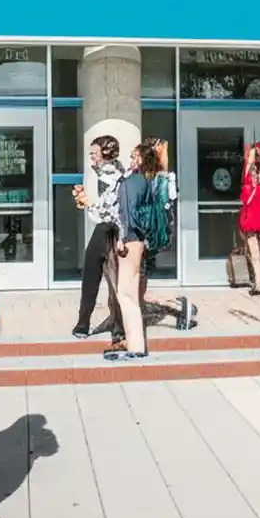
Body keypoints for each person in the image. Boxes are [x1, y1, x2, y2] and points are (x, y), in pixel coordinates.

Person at [108, 142, 170, 361]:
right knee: (132, 294)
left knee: (125, 294)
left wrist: (122, 238)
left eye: (135, 156)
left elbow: (128, 212)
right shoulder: (148, 180)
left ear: (142, 159)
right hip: (140, 239)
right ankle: (137, 345)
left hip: (131, 238)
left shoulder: (131, 181)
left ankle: (134, 347)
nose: (131, 160)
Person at [71, 135, 125, 343]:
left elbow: (107, 212)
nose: (91, 156)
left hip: (110, 232)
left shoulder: (111, 175)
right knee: (108, 280)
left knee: (103, 279)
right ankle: (113, 325)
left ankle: (90, 324)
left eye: (94, 152)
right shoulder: (108, 172)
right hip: (107, 230)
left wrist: (86, 203)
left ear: (105, 152)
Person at [238, 142, 260, 296]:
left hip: (252, 212)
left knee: (254, 251)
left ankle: (258, 284)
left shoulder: (249, 170)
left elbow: (246, 190)